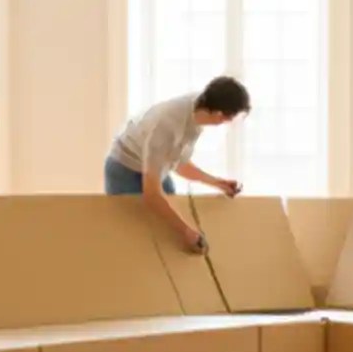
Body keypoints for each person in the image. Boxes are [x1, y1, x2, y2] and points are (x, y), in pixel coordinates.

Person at [105, 76, 250, 253]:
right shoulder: (168, 126)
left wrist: (218, 183)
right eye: (231, 118)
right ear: (220, 116)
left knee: (168, 225)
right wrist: (187, 232)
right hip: (125, 168)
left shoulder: (198, 110)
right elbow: (152, 194)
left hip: (151, 165)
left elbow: (178, 164)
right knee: (137, 235)